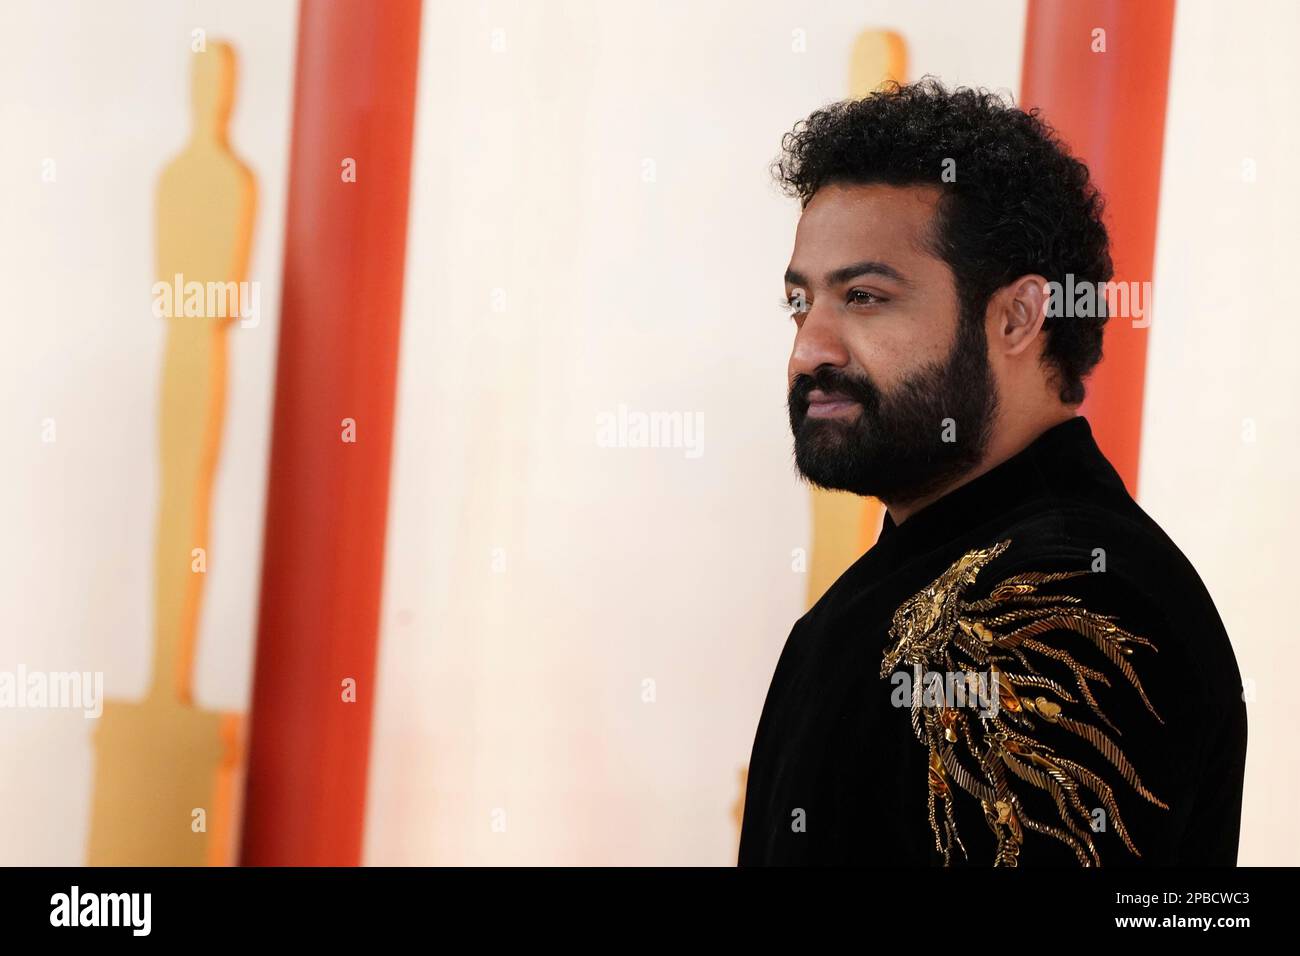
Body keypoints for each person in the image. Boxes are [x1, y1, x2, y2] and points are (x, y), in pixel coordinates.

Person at [738, 78, 1248, 866]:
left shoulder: (1073, 587)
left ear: (1017, 318)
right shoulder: (893, 580)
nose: (811, 349)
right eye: (800, 303)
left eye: (865, 297)